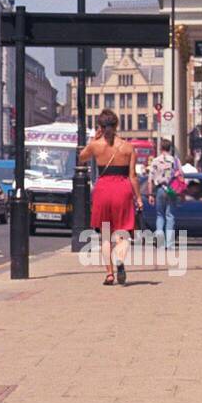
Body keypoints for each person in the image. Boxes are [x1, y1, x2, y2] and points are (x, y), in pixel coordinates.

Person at [78, 108, 140, 285]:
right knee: (124, 234)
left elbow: (81, 158)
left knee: (105, 236)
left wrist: (93, 139)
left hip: (103, 189)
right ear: (117, 125)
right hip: (122, 189)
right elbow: (133, 176)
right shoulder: (128, 147)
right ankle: (120, 259)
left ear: (100, 126)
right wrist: (139, 199)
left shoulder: (96, 145)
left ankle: (109, 274)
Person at [146, 138, 183, 251]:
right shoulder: (175, 161)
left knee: (160, 216)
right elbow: (181, 176)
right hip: (171, 190)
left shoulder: (156, 161)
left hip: (160, 190)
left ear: (160, 148)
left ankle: (160, 244)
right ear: (170, 148)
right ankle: (170, 244)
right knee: (170, 216)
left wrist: (150, 195)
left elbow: (150, 179)